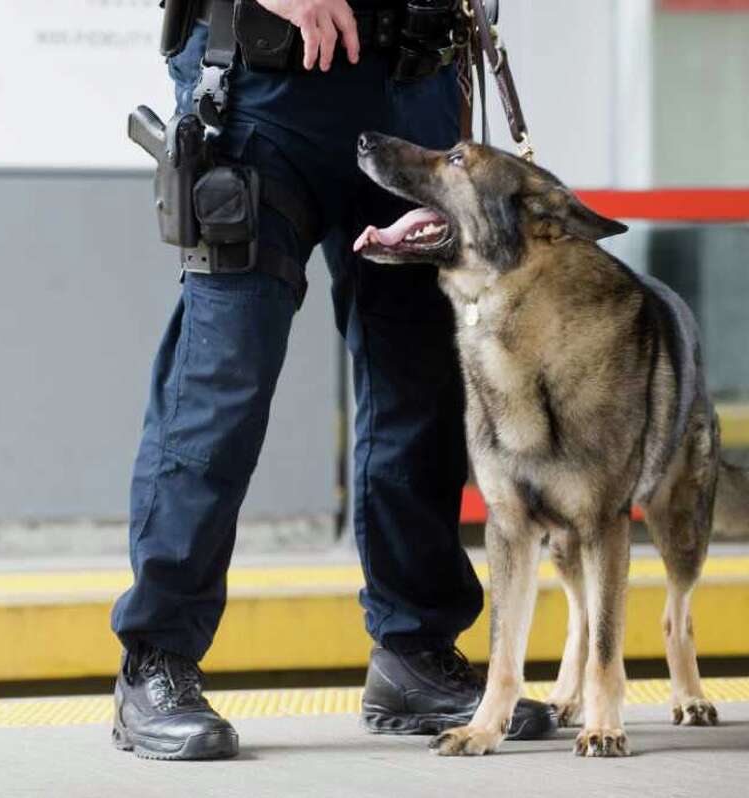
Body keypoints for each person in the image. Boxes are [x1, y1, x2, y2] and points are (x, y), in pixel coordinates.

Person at [110, 0, 555, 760]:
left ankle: (413, 654)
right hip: (261, 91)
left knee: (419, 385)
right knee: (224, 383)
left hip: (416, 84)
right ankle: (156, 660)